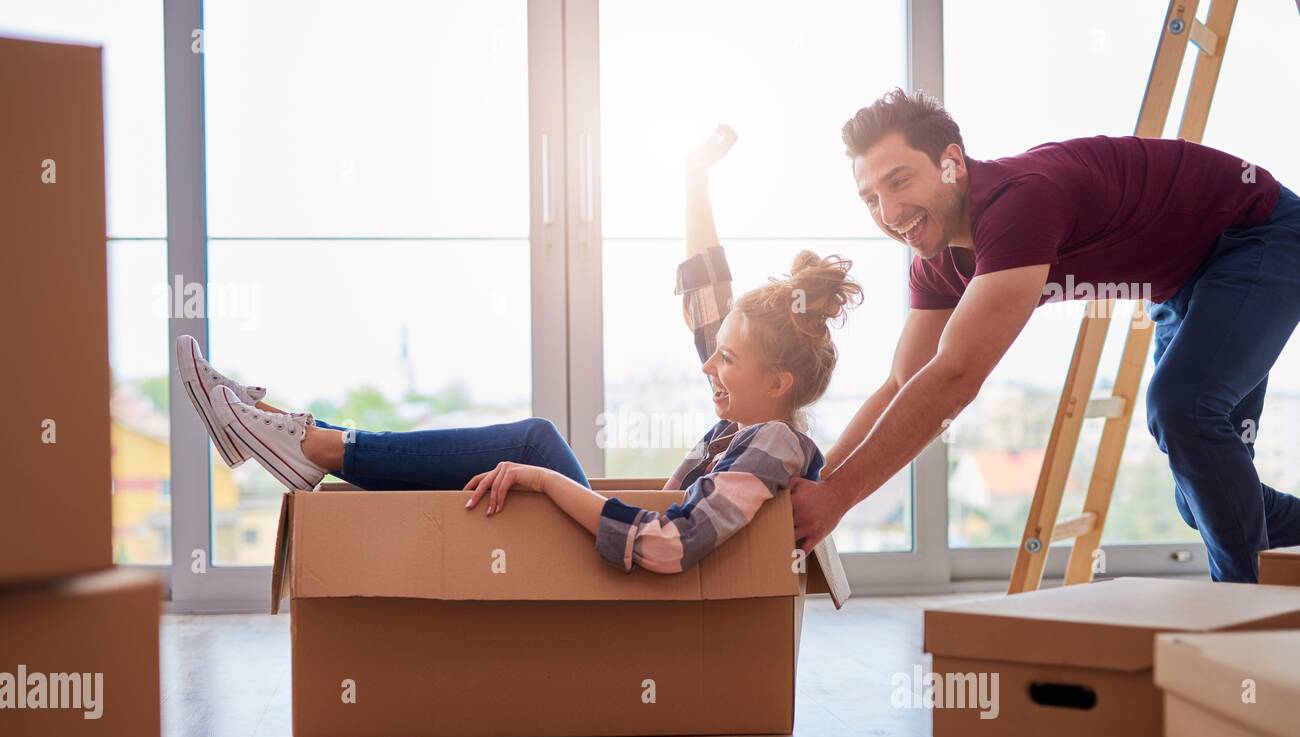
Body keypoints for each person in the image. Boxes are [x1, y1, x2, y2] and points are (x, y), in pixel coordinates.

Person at [177, 125, 862, 575]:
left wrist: (544, 481)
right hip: (620, 562)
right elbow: (709, 299)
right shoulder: (754, 417)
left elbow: (671, 545)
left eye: (728, 361)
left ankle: (312, 446)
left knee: (536, 445)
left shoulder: (771, 442)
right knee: (533, 441)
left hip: (632, 583)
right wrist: (693, 182)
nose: (709, 363)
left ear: (776, 383)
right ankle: (311, 441)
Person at [792, 88, 1300, 583]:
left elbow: (956, 376)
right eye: (871, 198)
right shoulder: (937, 263)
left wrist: (838, 501)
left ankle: (1242, 620)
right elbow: (903, 383)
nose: (888, 213)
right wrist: (821, 482)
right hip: (1185, 283)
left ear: (952, 162)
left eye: (899, 182)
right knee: (1206, 503)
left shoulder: (1019, 203)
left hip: (1259, 235)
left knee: (1182, 410)